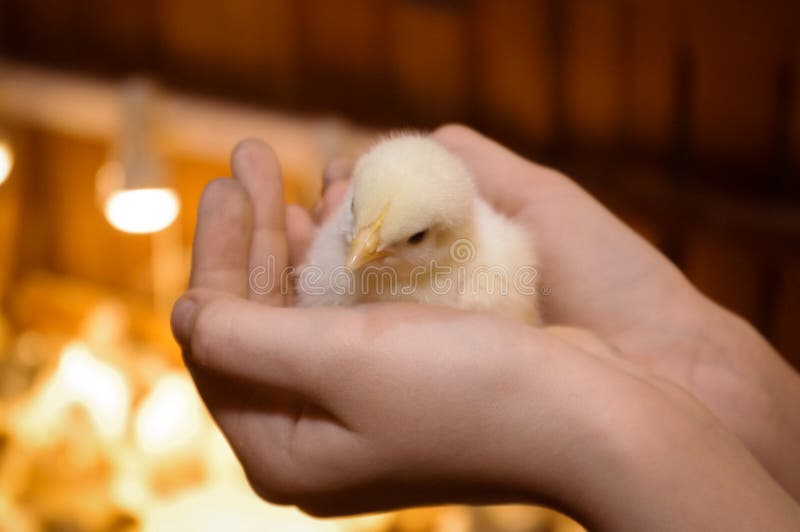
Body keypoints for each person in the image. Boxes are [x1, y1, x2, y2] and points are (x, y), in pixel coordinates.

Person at [170, 125, 800, 530]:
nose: (360, 250)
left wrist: (570, 424)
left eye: (410, 237)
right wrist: (719, 374)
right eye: (360, 218)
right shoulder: (349, 256)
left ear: (448, 235)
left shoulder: (494, 269)